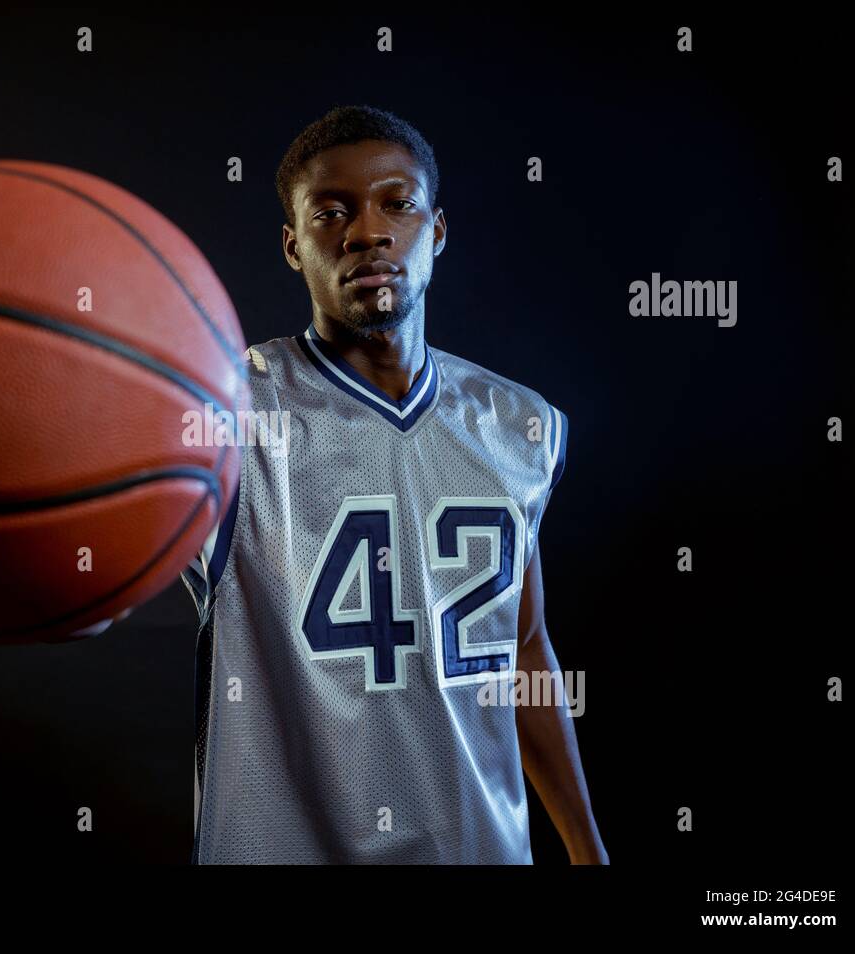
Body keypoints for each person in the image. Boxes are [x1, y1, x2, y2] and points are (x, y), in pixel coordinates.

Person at [181, 105, 608, 864]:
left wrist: (585, 847)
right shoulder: (222, 416)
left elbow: (525, 647)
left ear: (435, 232)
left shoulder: (519, 425)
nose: (368, 231)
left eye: (397, 204)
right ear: (294, 247)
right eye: (331, 212)